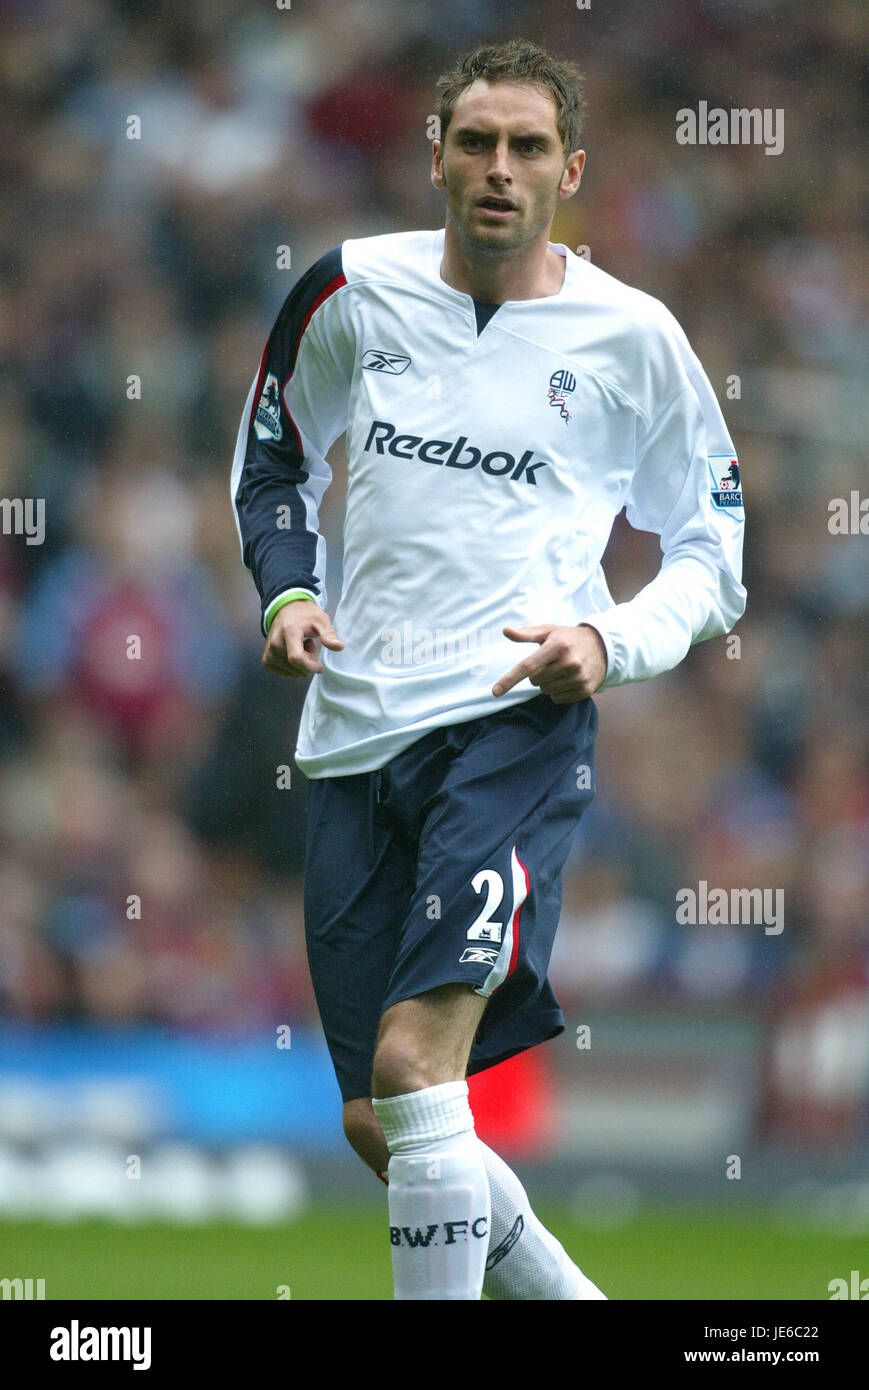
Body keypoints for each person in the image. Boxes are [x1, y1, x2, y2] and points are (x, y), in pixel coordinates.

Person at [231, 38, 746, 1300]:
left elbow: (711, 551)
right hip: (355, 734)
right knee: (385, 1124)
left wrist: (607, 641)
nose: (497, 170)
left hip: (510, 725)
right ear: (434, 157)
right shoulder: (348, 292)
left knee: (419, 1072)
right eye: (474, 143)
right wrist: (290, 588)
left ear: (569, 171)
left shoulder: (632, 337)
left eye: (526, 149)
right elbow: (273, 459)